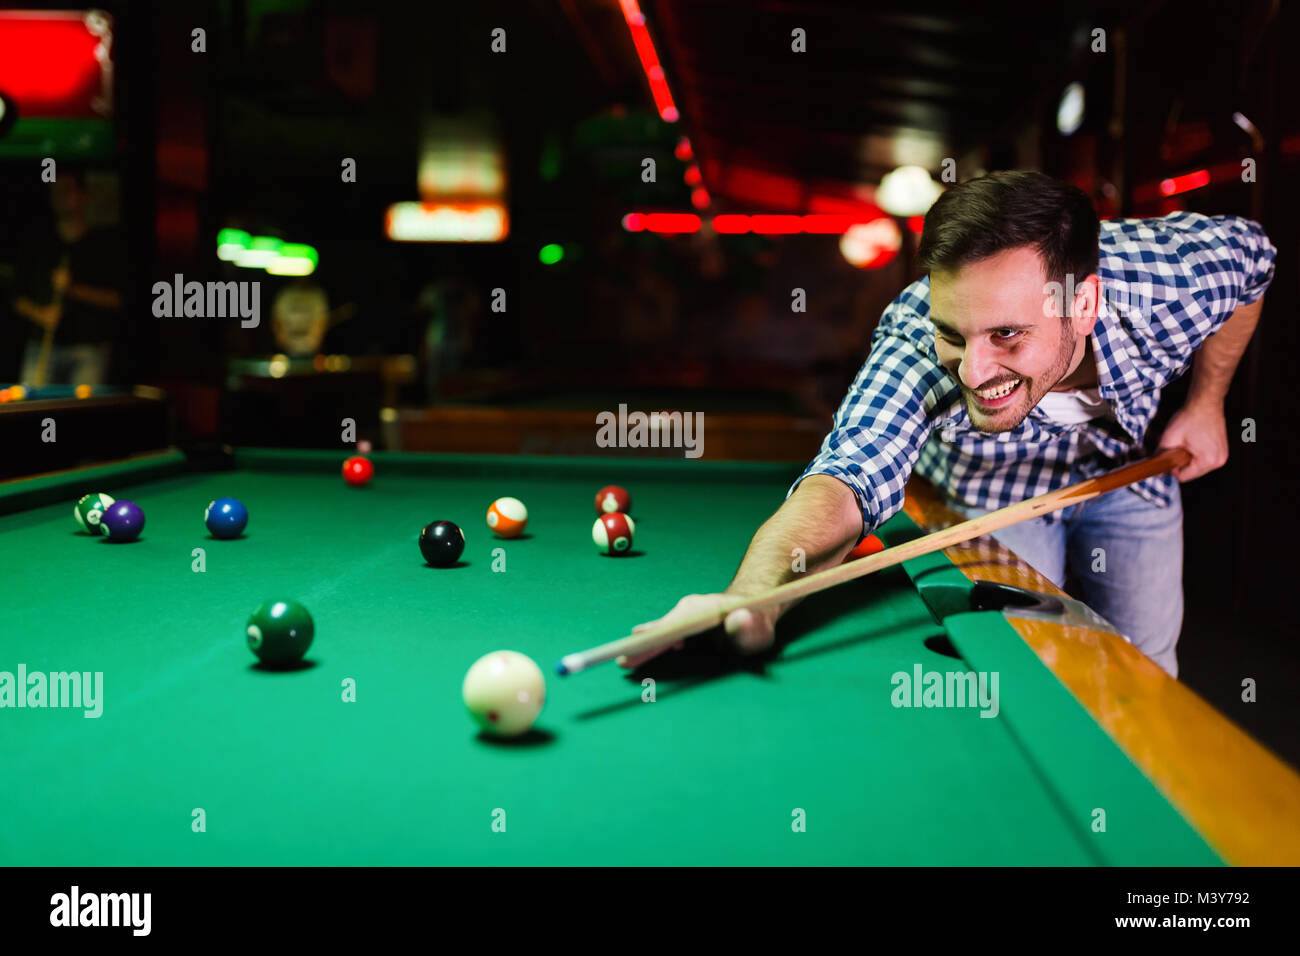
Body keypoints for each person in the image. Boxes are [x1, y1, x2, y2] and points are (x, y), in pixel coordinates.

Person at [629, 171, 1274, 679]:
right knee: (1030, 664)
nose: (972, 369)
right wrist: (752, 598)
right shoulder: (915, 331)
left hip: (1131, 473)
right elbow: (846, 475)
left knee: (1148, 669)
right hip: (996, 495)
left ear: (1084, 303)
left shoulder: (1171, 282)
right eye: (953, 334)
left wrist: (1205, 404)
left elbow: (1256, 259)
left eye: (1007, 334)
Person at [11, 171, 124, 385]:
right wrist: (41, 314)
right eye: (56, 190)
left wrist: (72, 289)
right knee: (33, 413)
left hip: (89, 350)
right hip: (42, 348)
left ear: (84, 195)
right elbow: (17, 298)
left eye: (67, 190)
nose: (60, 195)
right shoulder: (38, 245)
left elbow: (119, 300)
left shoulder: (104, 247)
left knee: (81, 417)